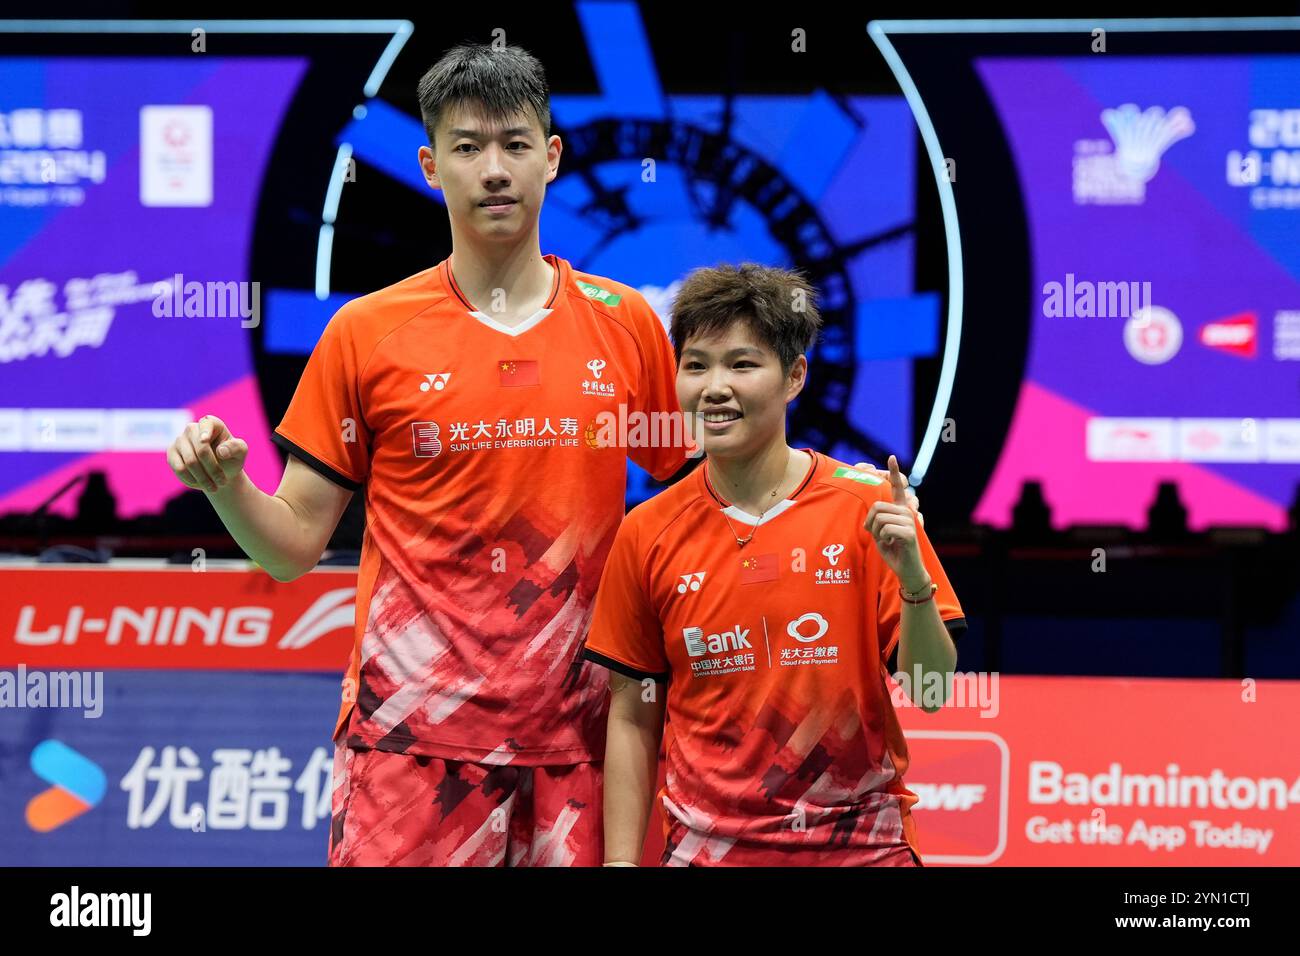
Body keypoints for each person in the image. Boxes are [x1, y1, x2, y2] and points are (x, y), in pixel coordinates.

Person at [165, 43, 692, 866]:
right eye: (467, 147)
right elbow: (294, 546)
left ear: (551, 159)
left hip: (580, 743)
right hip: (410, 740)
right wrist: (228, 487)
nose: (494, 170)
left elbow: (693, 510)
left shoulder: (624, 325)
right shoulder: (366, 334)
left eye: (516, 145)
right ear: (429, 165)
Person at [582, 263, 967, 866]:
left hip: (859, 851)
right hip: (709, 853)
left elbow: (932, 690)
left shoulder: (867, 507)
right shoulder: (647, 532)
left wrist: (914, 581)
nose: (714, 387)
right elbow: (632, 715)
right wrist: (622, 863)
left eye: (742, 364)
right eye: (696, 364)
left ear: (794, 377)